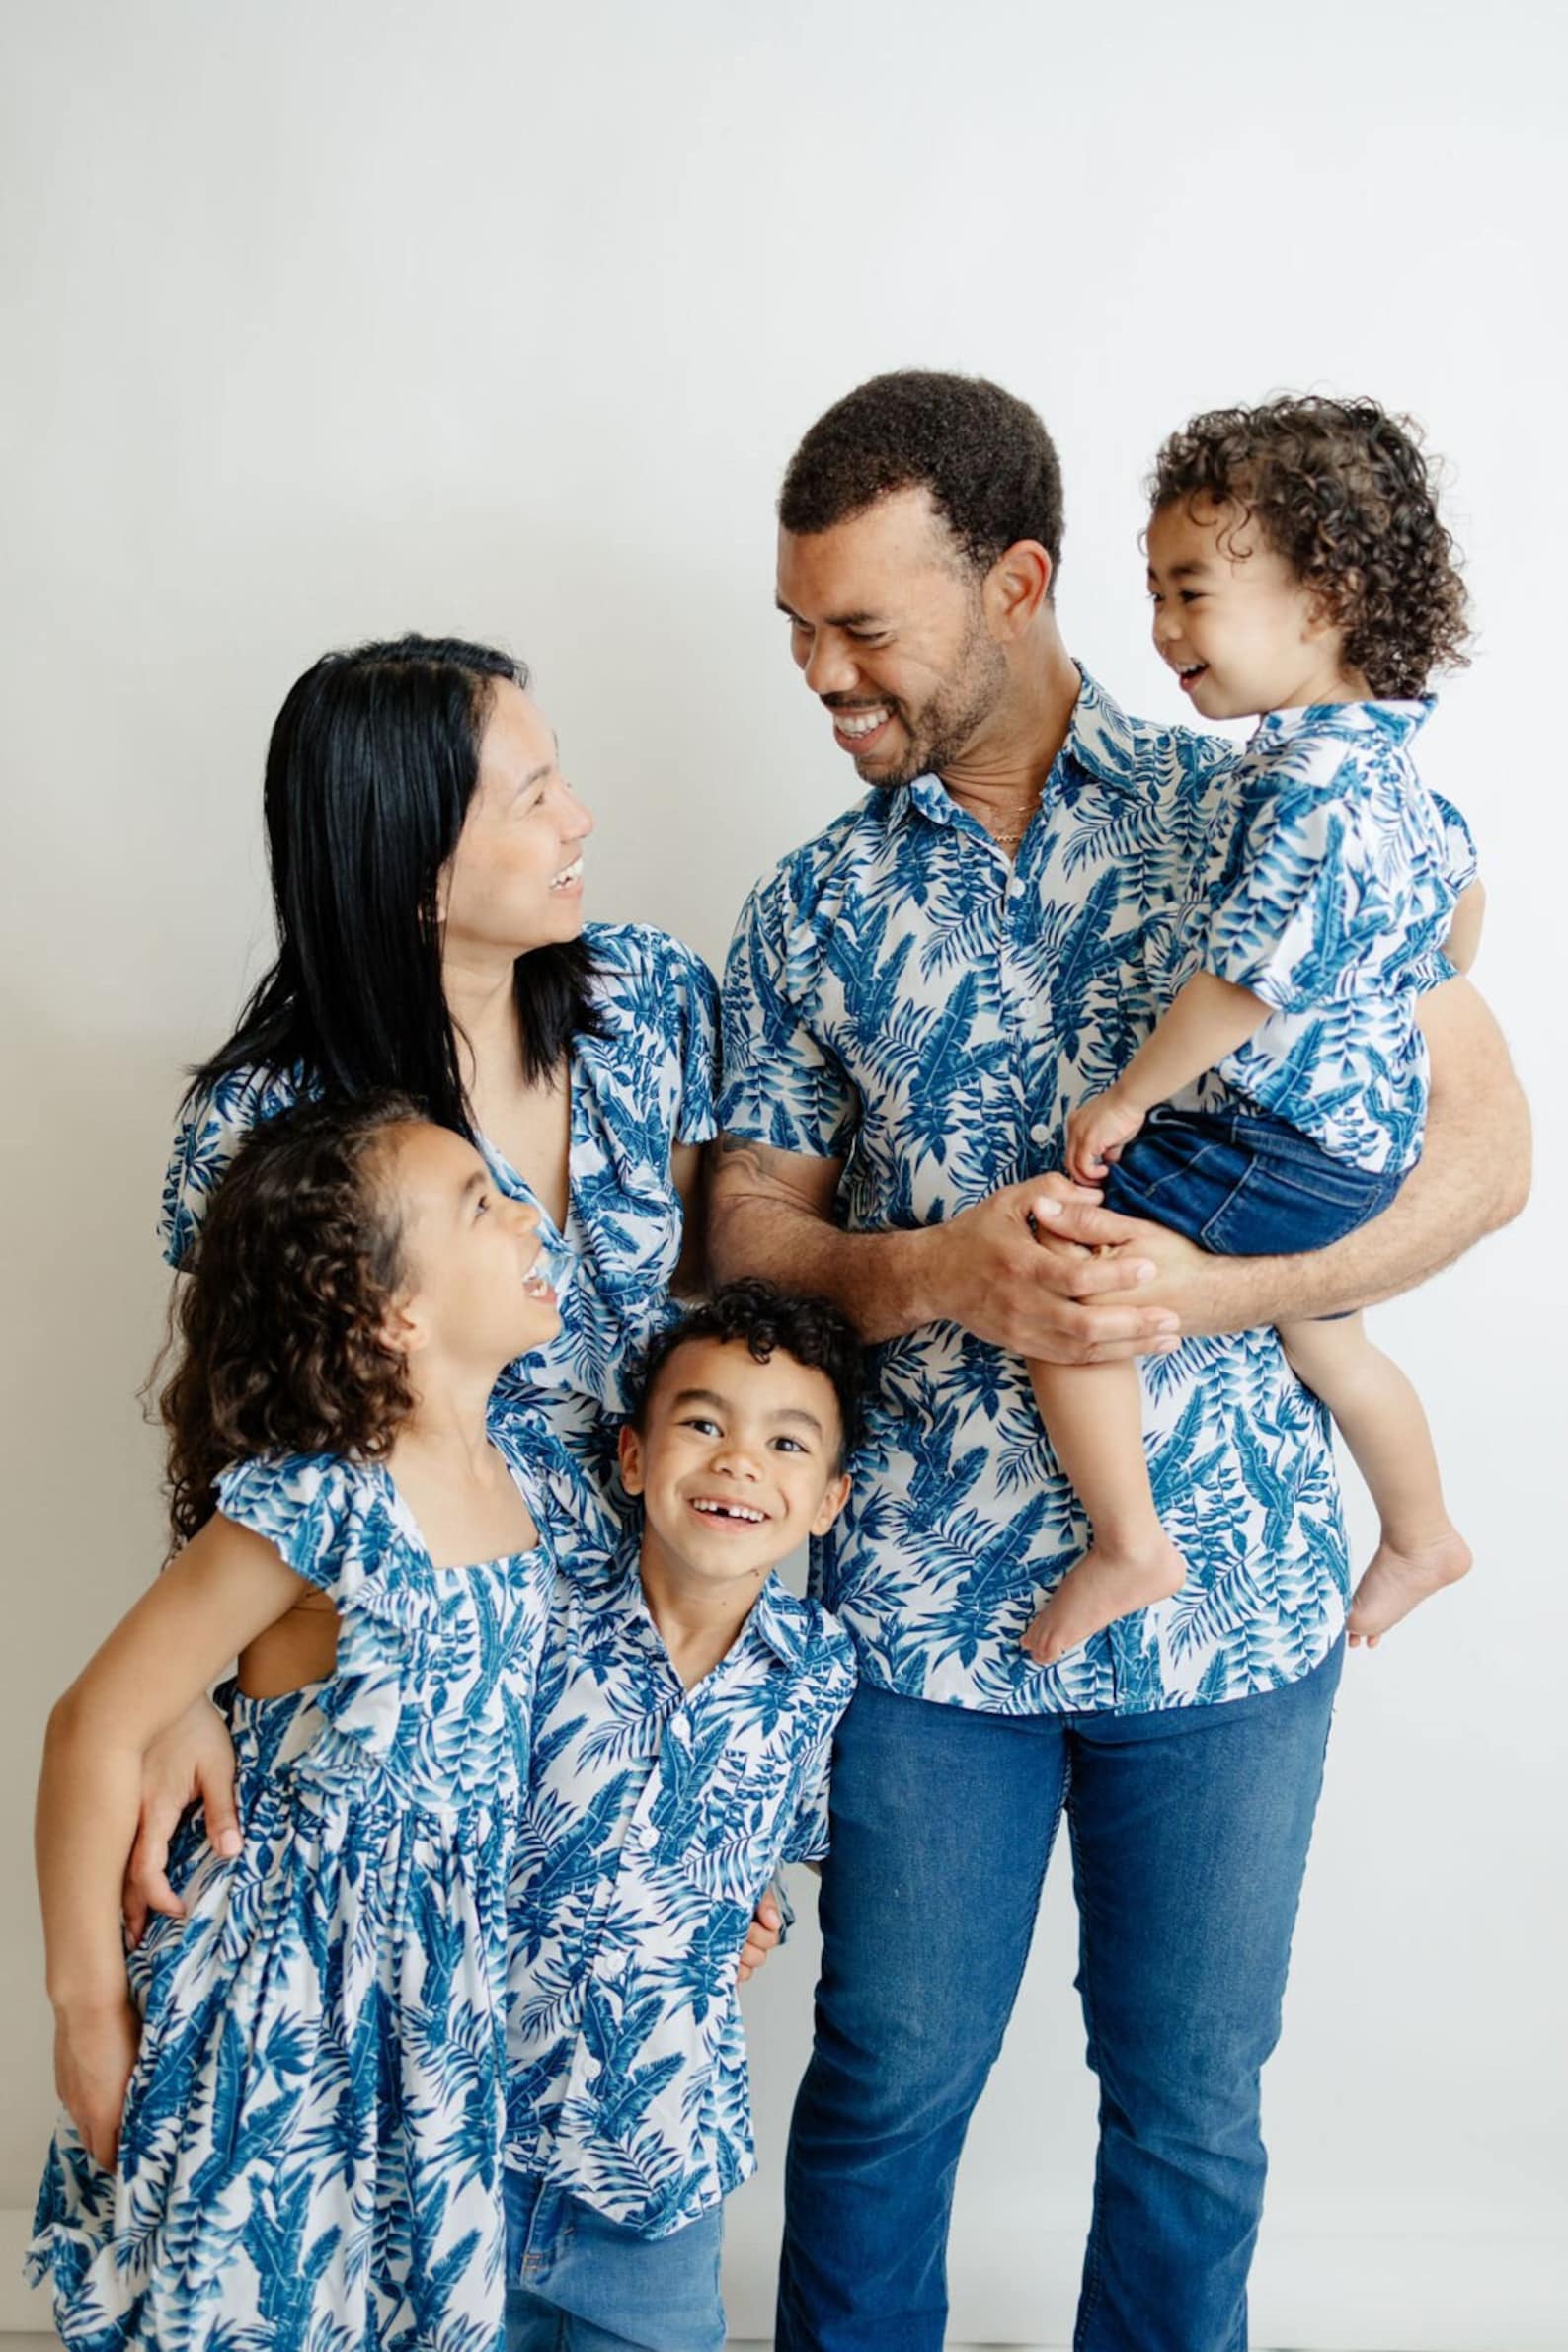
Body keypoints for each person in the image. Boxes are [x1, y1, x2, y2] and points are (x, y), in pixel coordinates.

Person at [712, 370, 1529, 2349]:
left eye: (860, 627)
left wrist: (1218, 1292)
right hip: (925, 1630)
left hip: (1230, 1616)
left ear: (1012, 584)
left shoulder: (1263, 798)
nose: (820, 674)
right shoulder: (806, 911)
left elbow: (1483, 1156)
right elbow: (741, 1246)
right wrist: (939, 1270)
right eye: (795, 629)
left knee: (1187, 2113)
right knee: (884, 2094)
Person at [130, 631, 757, 1943]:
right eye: (533, 797)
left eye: (560, 775)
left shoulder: (646, 1001)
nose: (579, 817)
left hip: (624, 1683)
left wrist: (715, 1772)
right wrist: (177, 1692)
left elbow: (701, 1299)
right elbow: (234, 1420)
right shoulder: (268, 1117)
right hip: (392, 1704)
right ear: (416, 869)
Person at [30, 1093, 563, 2350]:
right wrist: (88, 2012)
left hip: (428, 2000)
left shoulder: (510, 1474)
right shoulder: (321, 1498)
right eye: (479, 1206)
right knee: (261, 2304)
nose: (527, 1217)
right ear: (393, 1313)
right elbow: (91, 1725)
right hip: (283, 1989)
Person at [1022, 396, 1480, 1667]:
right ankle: (1422, 1531)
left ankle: (1129, 1540)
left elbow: (1242, 983)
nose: (1163, 629)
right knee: (1327, 1334)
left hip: (1284, 1138)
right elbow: (1462, 910)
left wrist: (1125, 1100)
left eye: (1191, 594)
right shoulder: (1391, 763)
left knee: (1063, 1265)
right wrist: (1380, 1003)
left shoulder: (1302, 781)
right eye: (1153, 594)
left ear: (1324, 601)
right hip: (1362, 1142)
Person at [502, 1281, 861, 2352]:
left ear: (829, 1501)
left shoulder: (820, 1671)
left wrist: (757, 1902)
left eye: (786, 1444)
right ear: (632, 1457)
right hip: (471, 2135)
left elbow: (788, 1836)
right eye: (703, 1424)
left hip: (654, 2166)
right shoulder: (538, 1619)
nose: (740, 1461)